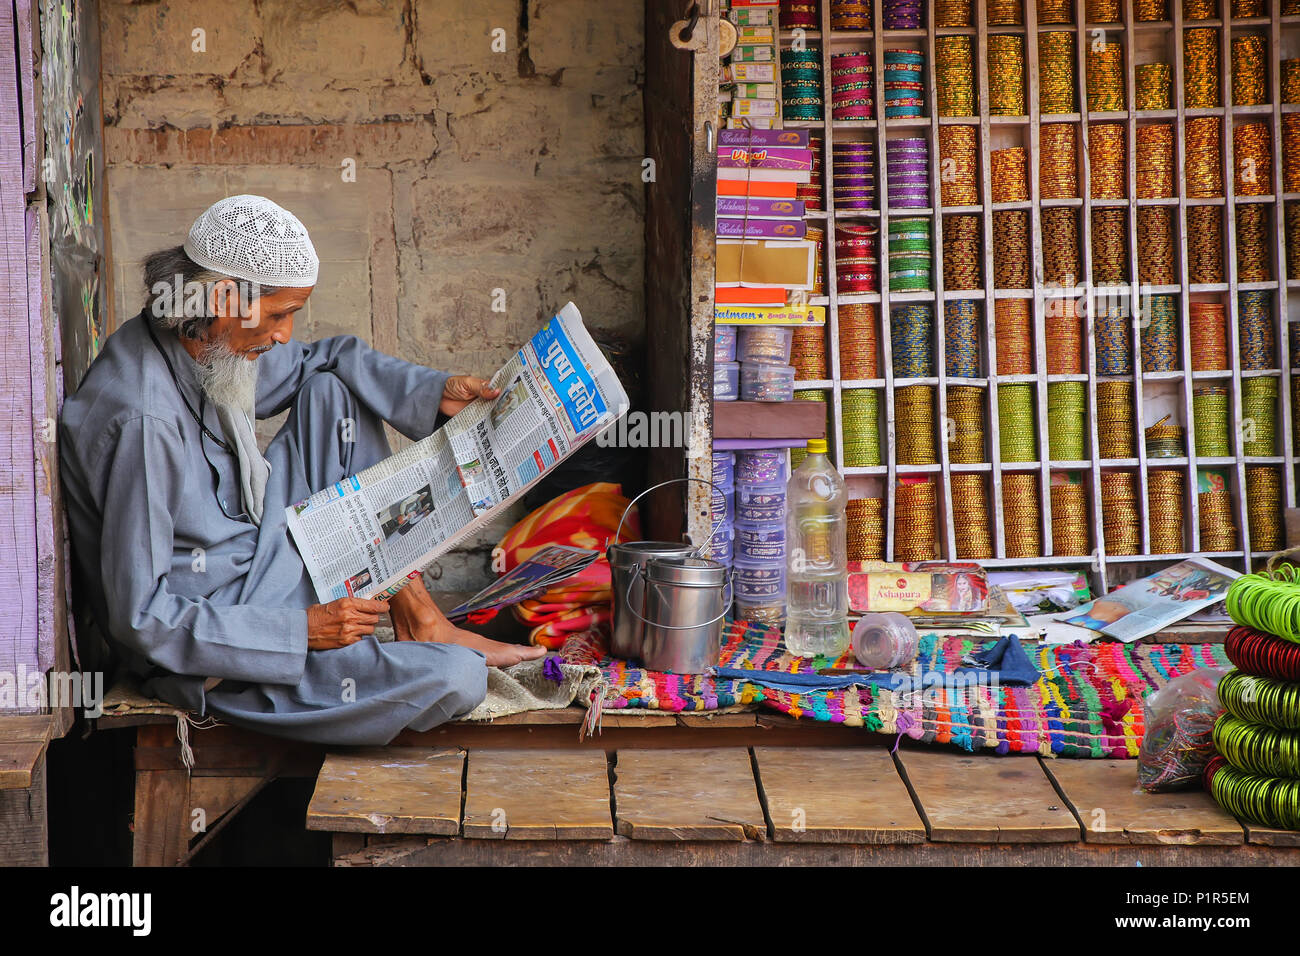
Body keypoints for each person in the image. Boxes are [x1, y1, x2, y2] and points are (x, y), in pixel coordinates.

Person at [59, 195, 544, 745]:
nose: (285, 335)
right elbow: (142, 617)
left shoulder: (201, 338)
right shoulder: (141, 420)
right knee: (458, 678)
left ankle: (420, 614)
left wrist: (434, 391)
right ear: (222, 299)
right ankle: (367, 653)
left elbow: (327, 361)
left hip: (260, 549)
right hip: (222, 634)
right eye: (279, 315)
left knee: (334, 393)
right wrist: (302, 631)